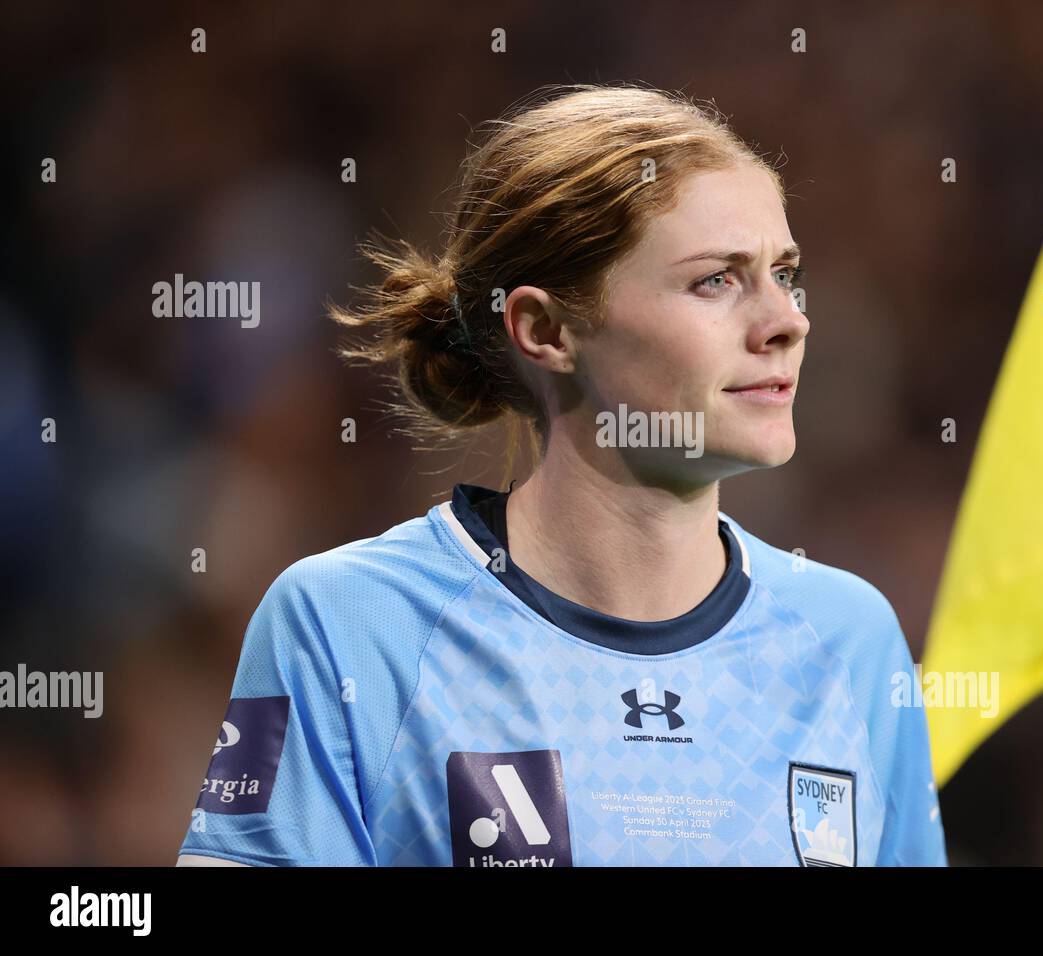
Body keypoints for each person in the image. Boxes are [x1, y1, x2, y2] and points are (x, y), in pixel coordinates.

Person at [176, 83, 947, 867]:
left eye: (786, 272)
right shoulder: (350, 627)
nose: (787, 320)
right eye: (716, 279)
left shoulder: (851, 639)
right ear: (545, 330)